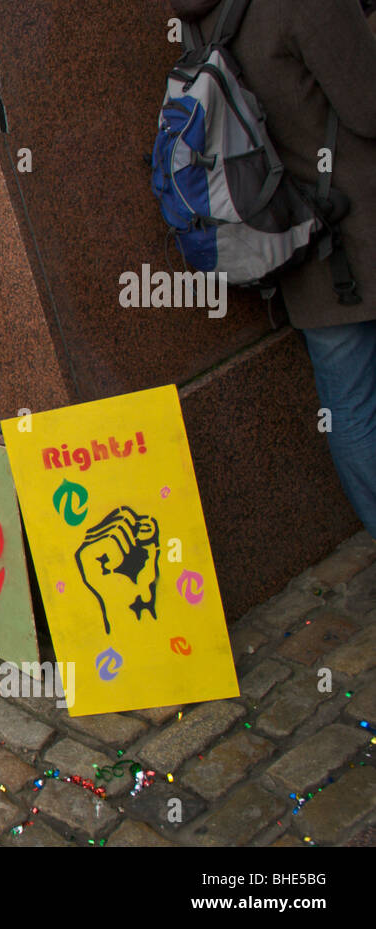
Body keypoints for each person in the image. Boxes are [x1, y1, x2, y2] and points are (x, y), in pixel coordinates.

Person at [170, 0, 376, 537]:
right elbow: (369, 107)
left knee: (349, 409)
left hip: (295, 239)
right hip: (364, 221)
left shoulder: (197, 14)